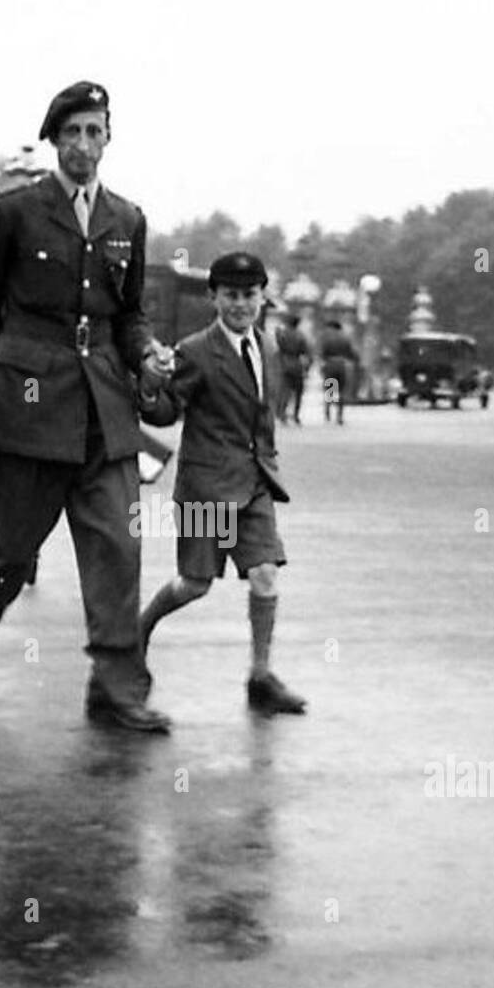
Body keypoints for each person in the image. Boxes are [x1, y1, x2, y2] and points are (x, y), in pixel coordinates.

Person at [0, 80, 173, 734]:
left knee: (119, 546)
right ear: (54, 141)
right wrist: (4, 379)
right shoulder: (15, 212)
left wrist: (146, 351)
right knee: (8, 553)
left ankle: (116, 688)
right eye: (73, 133)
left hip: (104, 408)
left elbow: (130, 314)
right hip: (31, 406)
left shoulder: (128, 218)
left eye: (95, 132)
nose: (84, 145)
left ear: (108, 139)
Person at [138, 252, 307, 715]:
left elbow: (262, 416)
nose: (240, 305)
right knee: (194, 584)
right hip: (205, 488)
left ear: (262, 297)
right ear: (213, 298)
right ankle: (139, 632)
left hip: (254, 483)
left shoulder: (269, 348)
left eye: (249, 295)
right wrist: (150, 386)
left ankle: (260, 676)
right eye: (230, 295)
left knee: (266, 574)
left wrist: (266, 460)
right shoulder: (194, 351)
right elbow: (167, 410)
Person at [274, 310, 310, 425]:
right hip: (297, 365)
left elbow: (279, 345)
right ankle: (333, 411)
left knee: (285, 390)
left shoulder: (283, 333)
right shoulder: (301, 335)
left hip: (285, 363)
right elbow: (306, 351)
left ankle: (282, 414)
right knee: (298, 391)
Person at [319, 319, 357, 425]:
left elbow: (323, 353)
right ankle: (339, 416)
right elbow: (351, 353)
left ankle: (328, 413)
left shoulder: (327, 339)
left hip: (330, 364)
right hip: (342, 365)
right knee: (341, 391)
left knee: (330, 390)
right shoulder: (346, 338)